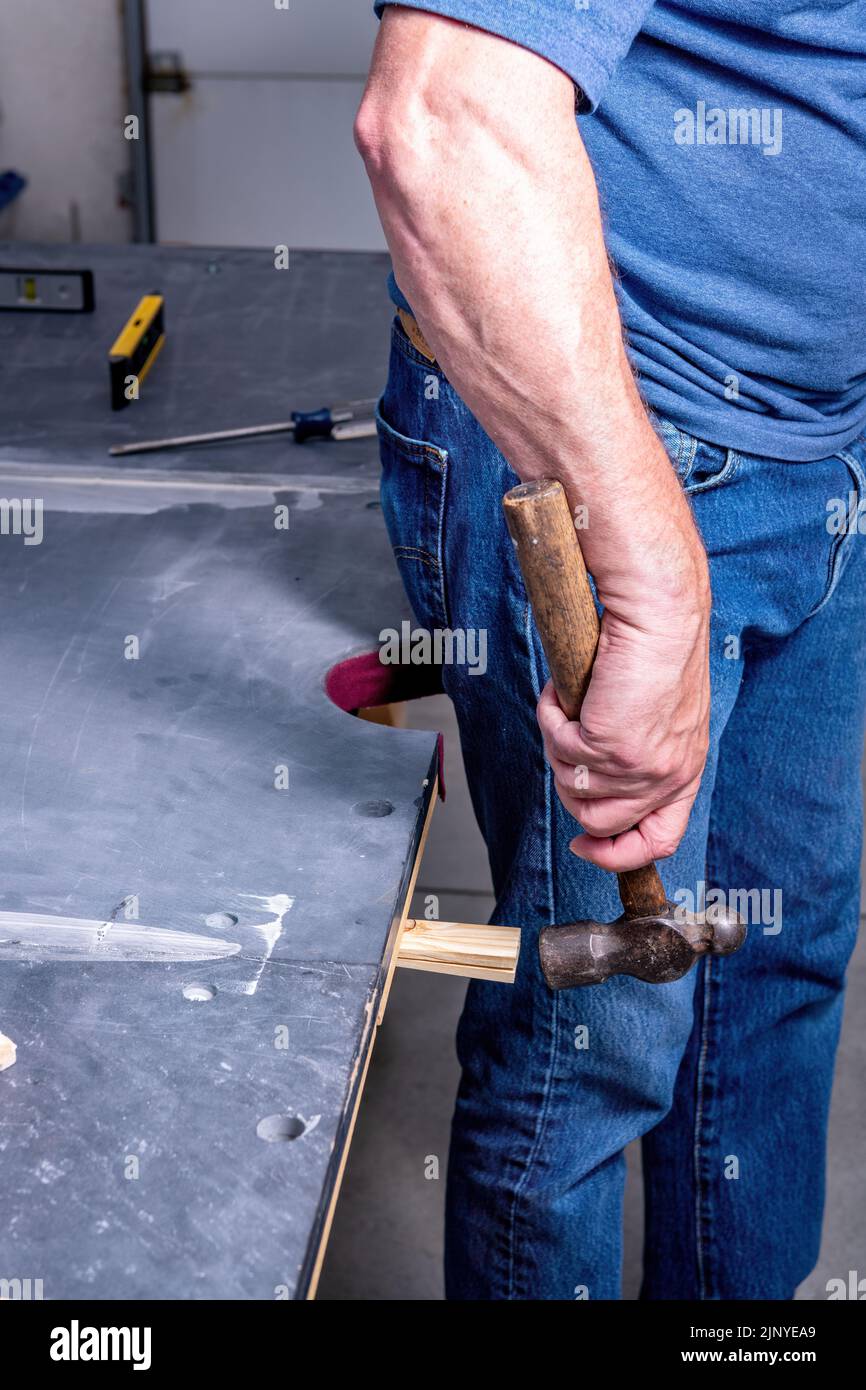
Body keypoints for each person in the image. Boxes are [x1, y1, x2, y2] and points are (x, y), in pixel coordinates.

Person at [355, 1, 866, 1300]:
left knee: (770, 968)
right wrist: (647, 565)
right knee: (595, 1028)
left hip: (827, 439)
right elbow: (443, 121)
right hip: (624, 436)